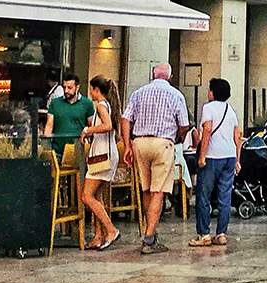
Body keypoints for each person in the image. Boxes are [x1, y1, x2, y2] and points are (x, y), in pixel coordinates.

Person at [121, 62, 190, 255]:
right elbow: (184, 124)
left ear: (153, 74)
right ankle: (149, 238)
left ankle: (149, 230)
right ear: (170, 76)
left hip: (140, 142)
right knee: (158, 191)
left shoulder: (138, 93)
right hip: (162, 143)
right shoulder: (176, 95)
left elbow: (125, 119)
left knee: (146, 189)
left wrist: (127, 145)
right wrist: (179, 136)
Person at [190, 77, 242, 248]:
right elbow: (237, 137)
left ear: (213, 92)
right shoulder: (231, 110)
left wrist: (202, 156)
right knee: (224, 196)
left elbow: (207, 130)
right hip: (229, 156)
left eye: (209, 89)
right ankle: (221, 233)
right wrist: (237, 160)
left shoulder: (208, 108)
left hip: (213, 156)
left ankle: (204, 234)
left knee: (204, 195)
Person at [79, 75, 122, 250]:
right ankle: (98, 235)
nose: (90, 92)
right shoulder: (107, 105)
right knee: (97, 197)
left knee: (86, 196)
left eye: (91, 89)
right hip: (106, 154)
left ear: (97, 90)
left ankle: (111, 230)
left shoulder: (101, 106)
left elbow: (108, 125)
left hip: (102, 155)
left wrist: (88, 130)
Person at [44, 71, 95, 159]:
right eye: (64, 87)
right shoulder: (55, 103)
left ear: (77, 87)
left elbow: (92, 126)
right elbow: (49, 126)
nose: (66, 90)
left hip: (78, 150)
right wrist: (47, 148)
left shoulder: (87, 104)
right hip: (58, 151)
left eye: (69, 87)